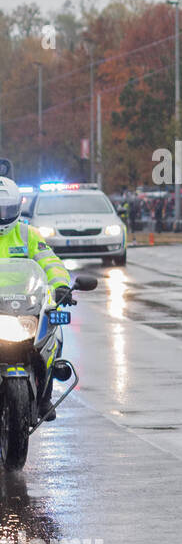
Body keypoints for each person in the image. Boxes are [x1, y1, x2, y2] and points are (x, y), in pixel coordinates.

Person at [0, 177, 73, 418]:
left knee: (54, 335)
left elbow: (49, 261)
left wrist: (61, 285)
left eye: (6, 210)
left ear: (17, 208)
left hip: (24, 303)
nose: (2, 216)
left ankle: (45, 396)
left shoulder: (27, 233)